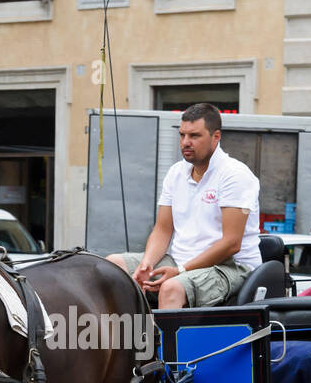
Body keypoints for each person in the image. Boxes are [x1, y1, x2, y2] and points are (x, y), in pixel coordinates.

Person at [106, 103, 261, 309]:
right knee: (112, 267)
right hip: (180, 262)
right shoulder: (176, 173)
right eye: (182, 135)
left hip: (231, 267)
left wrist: (180, 270)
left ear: (216, 137)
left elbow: (232, 243)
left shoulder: (235, 175)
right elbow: (162, 229)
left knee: (172, 287)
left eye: (194, 136)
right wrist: (147, 263)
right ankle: (123, 340)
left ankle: (162, 342)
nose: (186, 142)